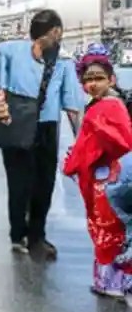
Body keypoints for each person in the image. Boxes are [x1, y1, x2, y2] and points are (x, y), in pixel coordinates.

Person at [0, 9, 84, 258]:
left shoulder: (6, 50)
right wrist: (82, 142)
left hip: (16, 123)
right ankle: (35, 237)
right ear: (56, 31)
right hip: (43, 127)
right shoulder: (63, 61)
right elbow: (73, 108)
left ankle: (19, 234)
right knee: (42, 184)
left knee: (18, 181)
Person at [61, 46, 132, 297]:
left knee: (107, 227)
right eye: (88, 79)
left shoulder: (107, 107)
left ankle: (112, 283)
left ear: (111, 79)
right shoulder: (108, 103)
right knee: (113, 227)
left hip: (108, 177)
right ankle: (117, 280)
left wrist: (75, 162)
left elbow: (118, 141)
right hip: (112, 175)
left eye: (98, 78)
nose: (92, 84)